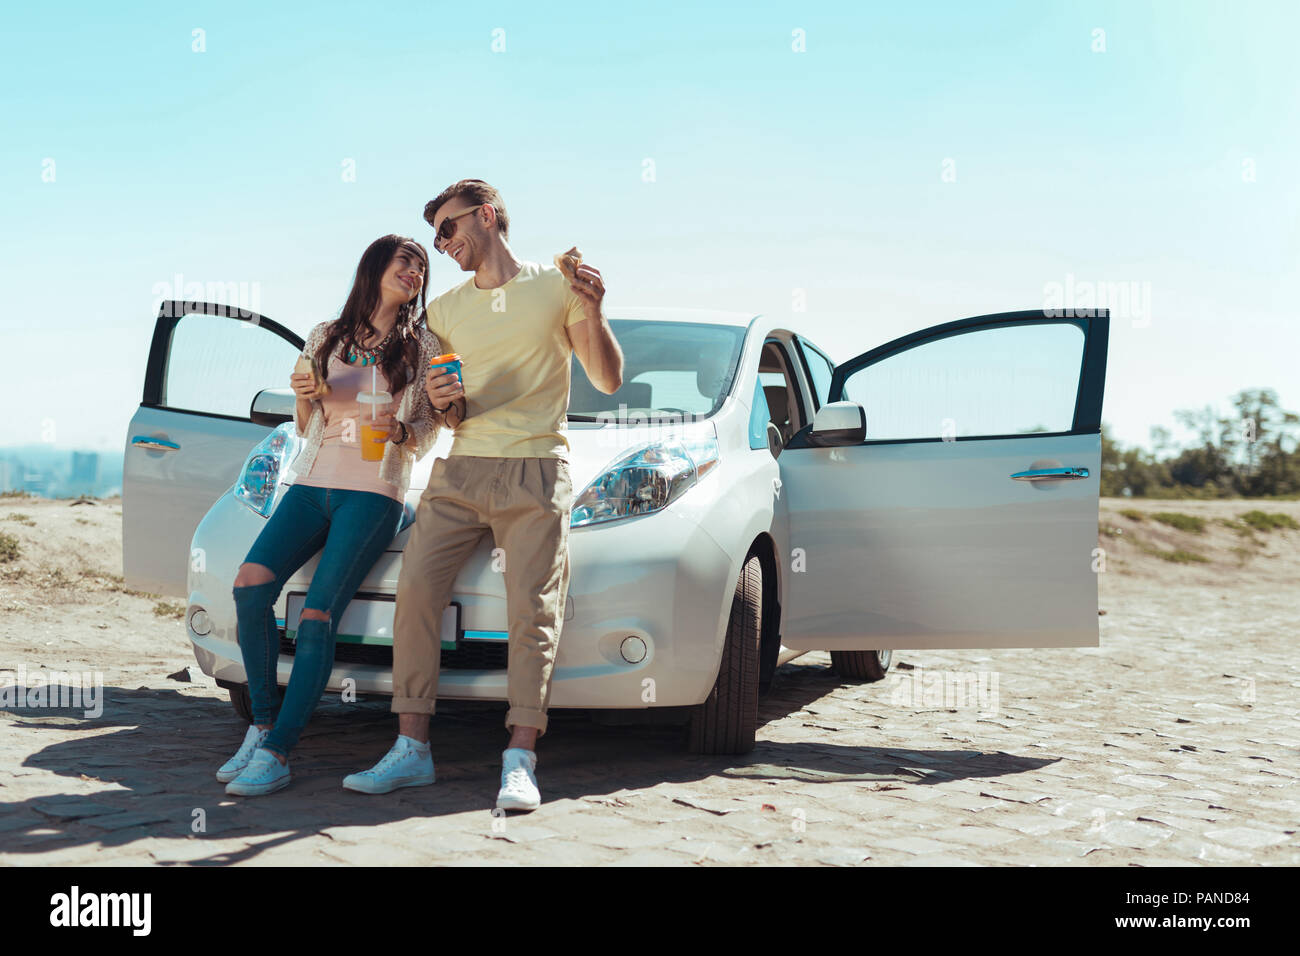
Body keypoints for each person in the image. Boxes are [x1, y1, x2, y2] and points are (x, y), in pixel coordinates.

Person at [344, 180, 623, 811]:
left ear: (487, 216)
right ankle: (411, 749)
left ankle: (520, 758)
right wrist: (443, 403)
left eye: (447, 230)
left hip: (536, 470)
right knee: (415, 593)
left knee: (533, 613)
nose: (441, 245)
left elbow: (606, 380)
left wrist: (596, 310)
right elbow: (447, 412)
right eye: (436, 236)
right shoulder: (442, 311)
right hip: (461, 471)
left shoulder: (559, 285)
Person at [220, 234, 465, 796]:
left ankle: (280, 753)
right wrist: (303, 393)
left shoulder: (423, 345)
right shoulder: (325, 336)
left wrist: (401, 430)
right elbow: (308, 423)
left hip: (373, 493)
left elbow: (427, 431)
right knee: (250, 587)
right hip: (310, 485)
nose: (415, 271)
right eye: (406, 260)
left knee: (316, 617)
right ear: (376, 266)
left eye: (422, 267)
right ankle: (260, 727)